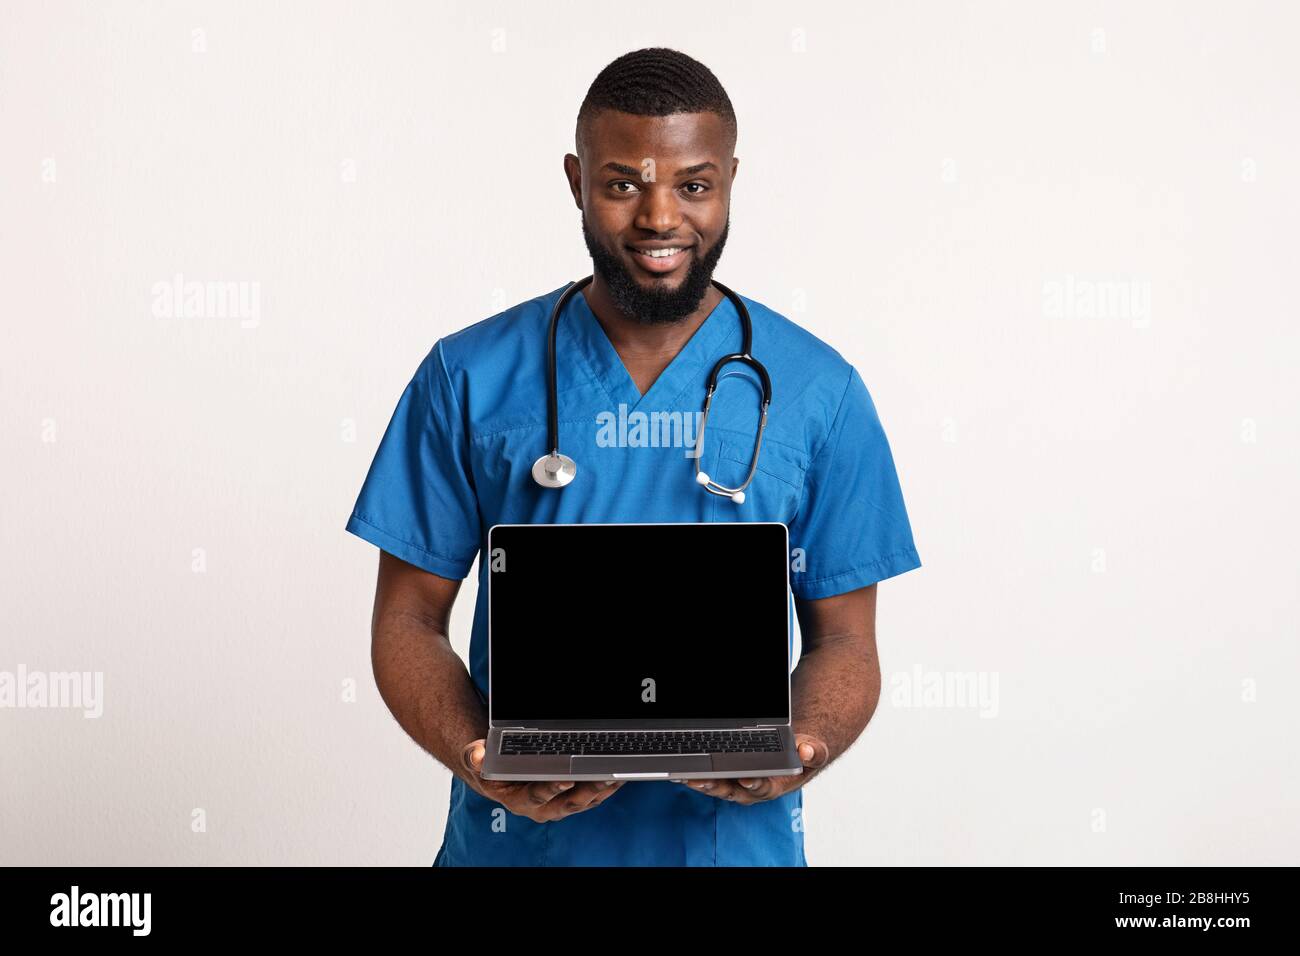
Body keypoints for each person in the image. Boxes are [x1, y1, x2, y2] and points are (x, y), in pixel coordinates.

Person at [346, 47, 921, 866]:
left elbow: (846, 643)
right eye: (623, 185)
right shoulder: (469, 376)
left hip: (729, 850)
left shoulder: (817, 391)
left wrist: (804, 741)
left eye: (694, 184)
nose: (660, 218)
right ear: (577, 182)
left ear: (729, 181)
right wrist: (479, 757)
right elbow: (405, 620)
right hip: (518, 852)